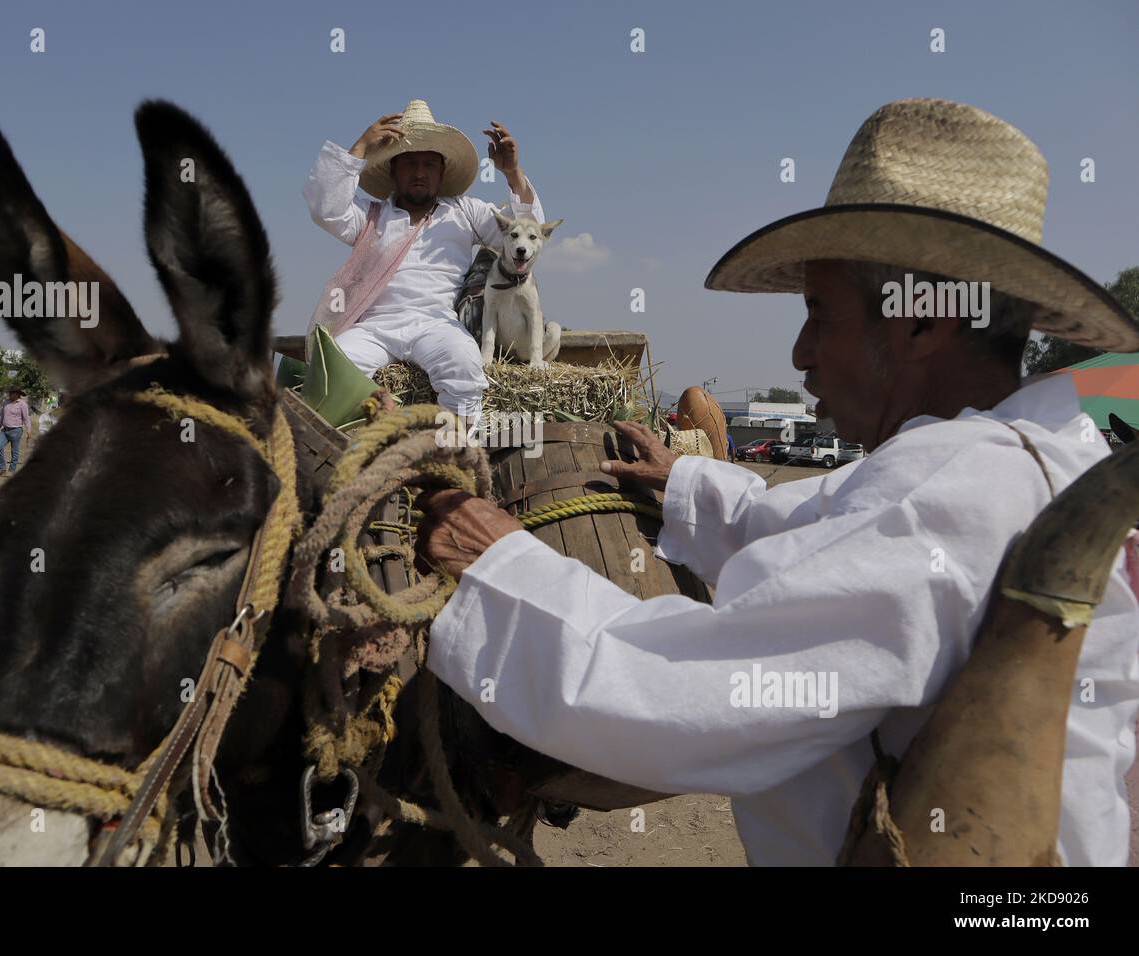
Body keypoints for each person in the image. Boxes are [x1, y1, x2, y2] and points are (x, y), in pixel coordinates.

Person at [414, 99, 1139, 865]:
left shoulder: (957, 492)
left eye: (820, 316)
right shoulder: (1035, 456)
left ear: (924, 321)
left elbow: (676, 697)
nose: (799, 354)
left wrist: (496, 563)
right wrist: (689, 485)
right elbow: (836, 528)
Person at [303, 100, 545, 431]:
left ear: (442, 172)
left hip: (437, 323)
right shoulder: (370, 215)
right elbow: (324, 208)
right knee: (333, 369)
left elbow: (527, 235)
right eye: (409, 163)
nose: (419, 173)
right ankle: (355, 462)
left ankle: (447, 460)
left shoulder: (465, 211)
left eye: (429, 164)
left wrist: (512, 172)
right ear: (392, 170)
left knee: (464, 366)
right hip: (373, 327)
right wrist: (359, 148)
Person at [0, 386, 31, 476]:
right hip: (4, 430)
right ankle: (2, 469)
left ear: (17, 394)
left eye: (12, 393)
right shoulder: (6, 402)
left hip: (16, 430)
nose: (9, 394)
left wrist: (28, 430)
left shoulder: (22, 404)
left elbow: (26, 419)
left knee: (14, 451)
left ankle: (12, 470)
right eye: (9, 393)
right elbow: (1, 416)